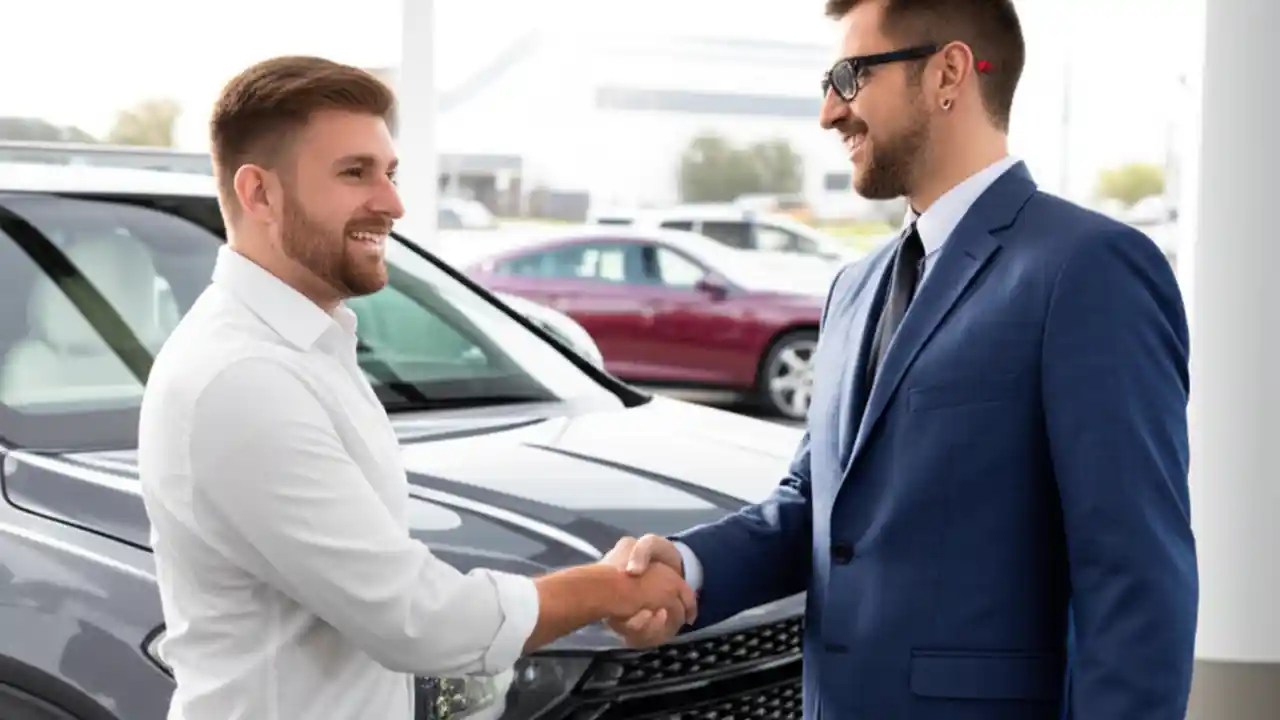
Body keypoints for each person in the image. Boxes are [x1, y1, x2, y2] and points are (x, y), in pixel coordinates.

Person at [607, 1, 1198, 718]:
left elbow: (1135, 578)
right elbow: (818, 506)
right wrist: (691, 565)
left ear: (948, 72)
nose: (829, 112)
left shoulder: (1088, 269)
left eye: (850, 76)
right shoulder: (852, 289)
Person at [137, 56, 694, 720]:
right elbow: (419, 620)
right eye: (354, 173)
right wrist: (607, 590)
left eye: (390, 173)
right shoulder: (241, 379)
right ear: (259, 193)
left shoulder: (302, 348)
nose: (393, 203)